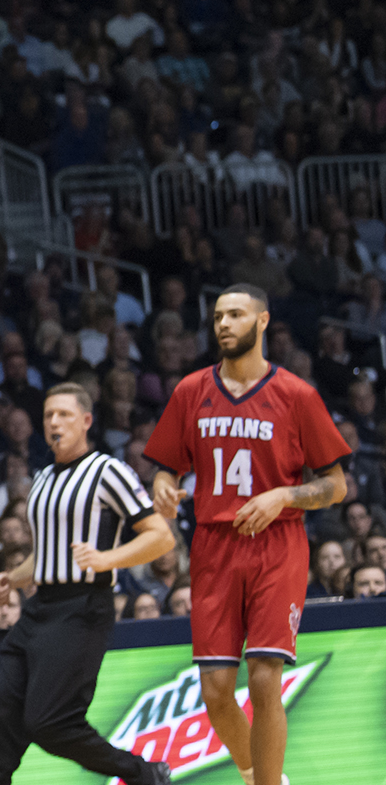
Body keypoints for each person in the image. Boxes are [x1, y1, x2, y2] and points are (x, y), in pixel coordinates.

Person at [143, 284, 350, 785]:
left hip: (277, 544)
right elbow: (165, 468)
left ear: (262, 321)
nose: (223, 324)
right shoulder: (191, 391)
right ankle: (259, 775)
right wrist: (163, 487)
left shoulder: (297, 395)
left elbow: (336, 485)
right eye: (218, 316)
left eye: (236, 315)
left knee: (262, 679)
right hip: (213, 547)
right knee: (215, 692)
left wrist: (284, 496)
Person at [0, 384, 176, 785]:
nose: (54, 422)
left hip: (82, 607)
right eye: (48, 415)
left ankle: (144, 773)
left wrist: (107, 559)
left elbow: (161, 537)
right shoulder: (43, 478)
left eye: (64, 414)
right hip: (39, 607)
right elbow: (46, 554)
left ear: (86, 421)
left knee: (50, 723)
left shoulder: (108, 471)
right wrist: (11, 580)